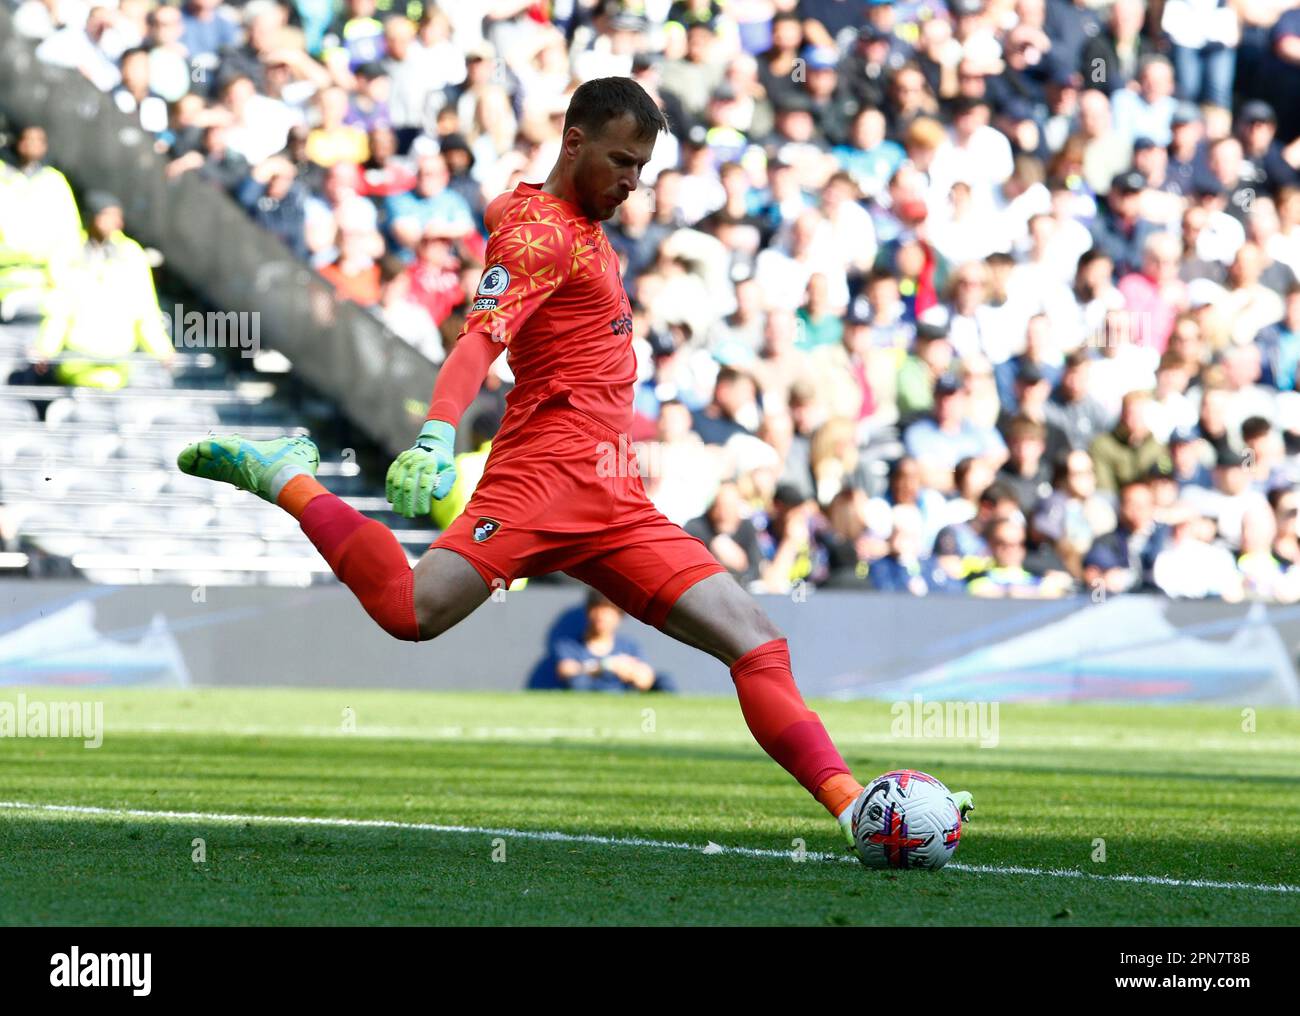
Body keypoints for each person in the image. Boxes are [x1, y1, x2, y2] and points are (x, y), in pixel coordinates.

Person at [176, 78, 970, 850]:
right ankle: (287, 475)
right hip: (543, 482)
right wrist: (436, 432)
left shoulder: (577, 225)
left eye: (642, 168)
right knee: (410, 613)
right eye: (621, 162)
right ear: (574, 141)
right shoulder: (539, 232)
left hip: (614, 492)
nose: (632, 182)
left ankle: (852, 809)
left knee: (756, 641)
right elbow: (479, 340)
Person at [526, 590, 670, 692]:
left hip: (620, 705)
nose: (602, 616)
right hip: (582, 703)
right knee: (579, 681)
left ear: (619, 616)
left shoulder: (629, 646)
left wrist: (630, 672)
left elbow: (645, 680)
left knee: (665, 682)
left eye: (608, 611)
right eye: (597, 609)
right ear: (589, 612)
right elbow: (566, 672)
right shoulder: (569, 645)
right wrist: (607, 666)